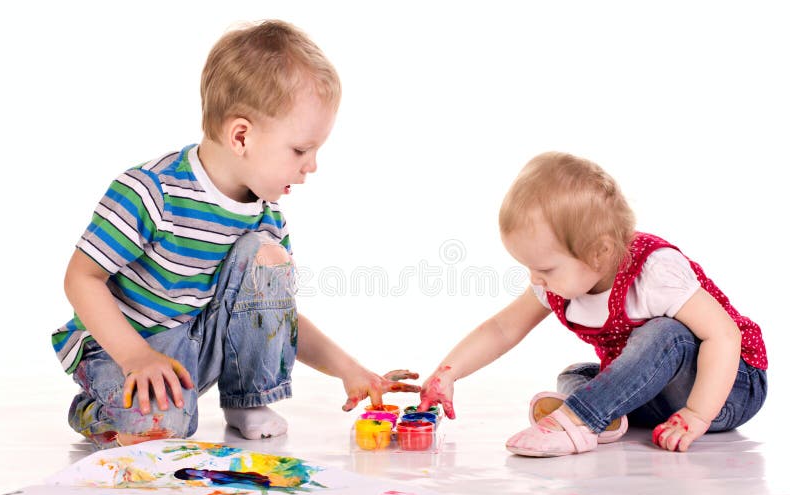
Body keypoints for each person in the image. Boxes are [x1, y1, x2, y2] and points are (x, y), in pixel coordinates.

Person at [51, 20, 418, 449]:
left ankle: (247, 400)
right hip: (121, 348)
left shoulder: (266, 217)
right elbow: (81, 279)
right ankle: (96, 408)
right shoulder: (153, 191)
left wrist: (350, 370)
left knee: (267, 255)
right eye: (301, 150)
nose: (312, 165)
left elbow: (277, 315)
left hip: (194, 347)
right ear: (241, 135)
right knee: (160, 432)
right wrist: (137, 358)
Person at [418, 152, 766, 456]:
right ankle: (607, 414)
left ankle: (580, 417)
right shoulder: (557, 282)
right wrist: (449, 372)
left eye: (545, 268)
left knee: (666, 333)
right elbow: (501, 329)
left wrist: (697, 414)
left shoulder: (653, 272)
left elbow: (724, 336)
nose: (535, 279)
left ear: (599, 251)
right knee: (576, 374)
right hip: (657, 399)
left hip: (727, 387)